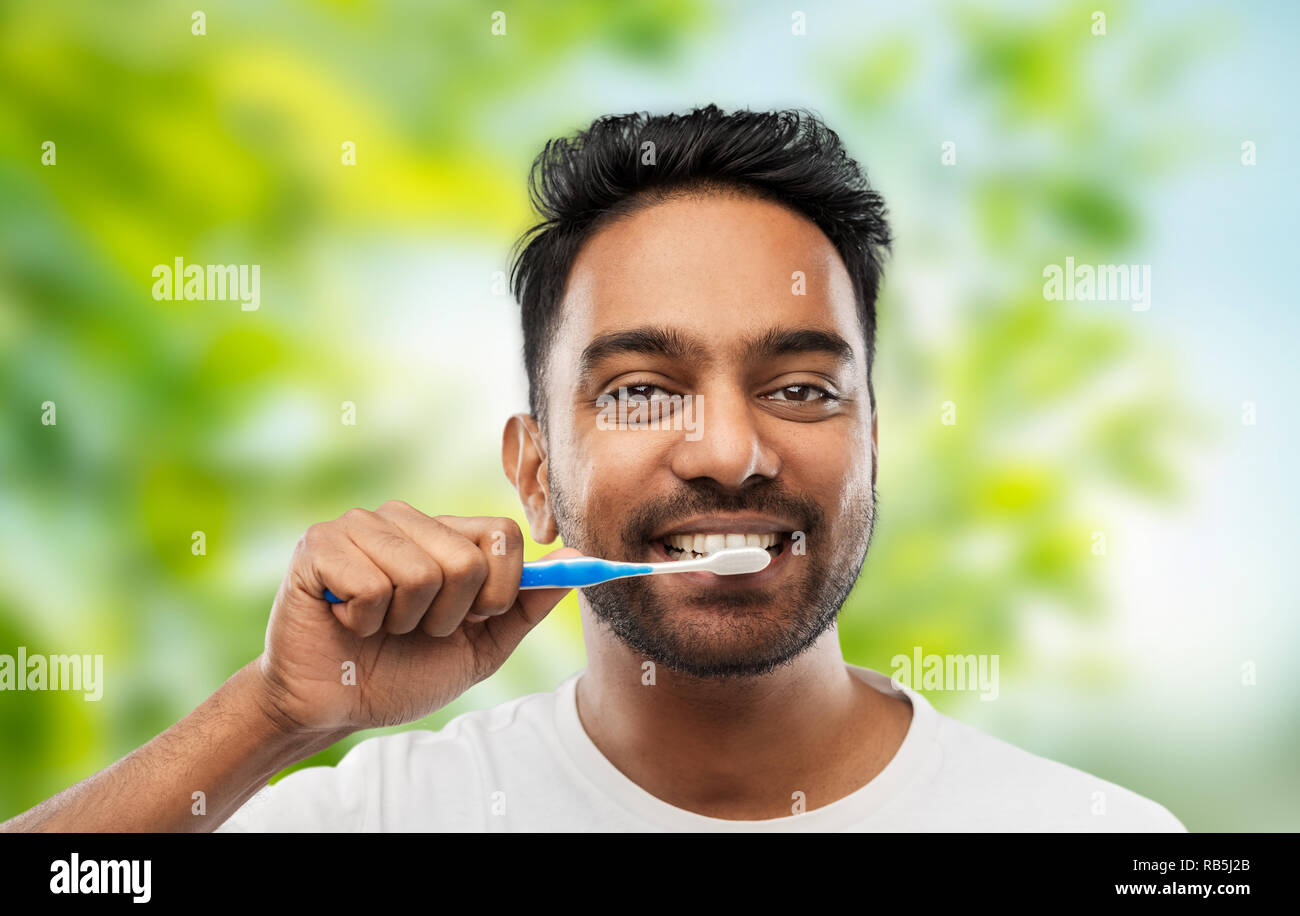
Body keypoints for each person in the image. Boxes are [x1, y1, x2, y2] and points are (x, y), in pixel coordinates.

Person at [1, 105, 1185, 832]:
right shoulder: (375, 820)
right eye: (639, 389)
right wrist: (265, 717)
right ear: (532, 467)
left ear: (871, 442)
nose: (728, 447)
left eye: (802, 387)